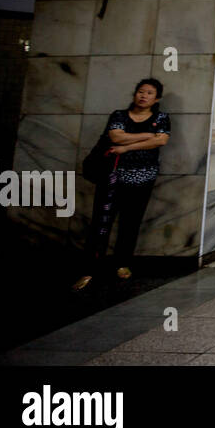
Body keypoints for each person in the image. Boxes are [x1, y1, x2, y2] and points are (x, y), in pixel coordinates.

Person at [72, 78, 171, 291]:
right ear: (134, 94)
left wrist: (127, 147)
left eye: (149, 93)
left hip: (143, 178)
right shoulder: (119, 115)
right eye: (141, 92)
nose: (143, 96)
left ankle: (122, 264)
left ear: (157, 98)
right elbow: (116, 137)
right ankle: (90, 268)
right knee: (101, 222)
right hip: (112, 177)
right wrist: (146, 136)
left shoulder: (162, 117)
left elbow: (161, 141)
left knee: (131, 221)